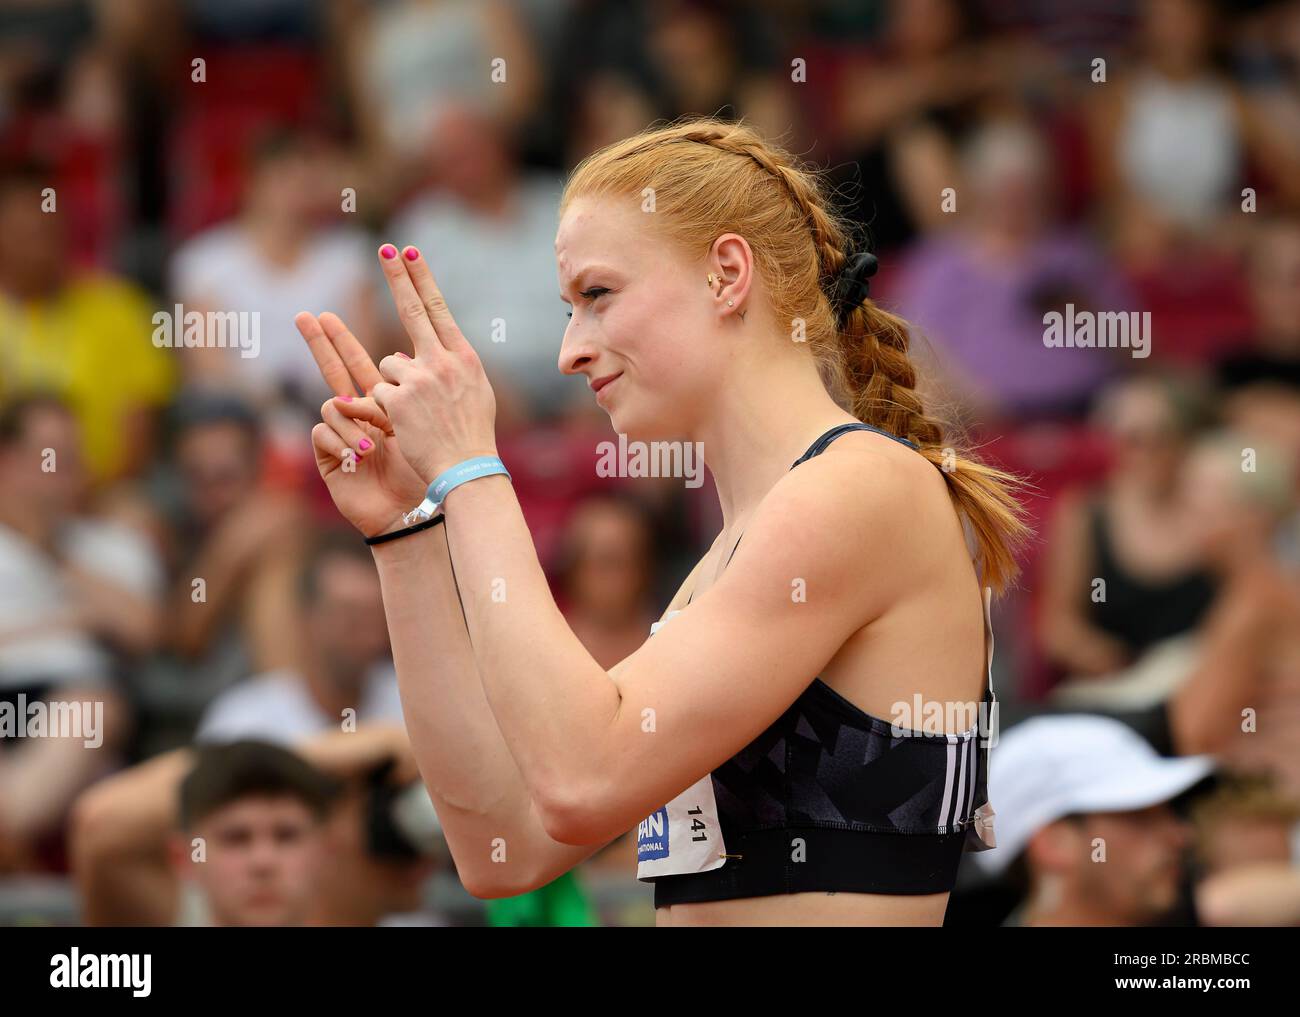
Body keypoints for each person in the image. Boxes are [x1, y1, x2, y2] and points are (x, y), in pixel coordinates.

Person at [294, 117, 1029, 926]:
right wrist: (409, 531)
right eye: (570, 308)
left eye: (598, 296)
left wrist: (473, 467)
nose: (571, 350)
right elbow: (503, 844)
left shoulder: (857, 490)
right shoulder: (724, 559)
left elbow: (582, 783)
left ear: (726, 274)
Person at [69, 727, 439, 926]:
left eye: (287, 836)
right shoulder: (174, 922)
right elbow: (101, 823)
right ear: (183, 859)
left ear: (325, 849)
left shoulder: (356, 907)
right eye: (236, 839)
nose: (263, 861)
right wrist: (318, 752)